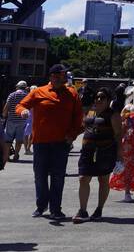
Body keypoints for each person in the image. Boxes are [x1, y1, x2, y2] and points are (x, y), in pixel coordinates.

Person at [16, 63, 84, 223]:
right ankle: (41, 206)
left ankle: (55, 209)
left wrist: (72, 135)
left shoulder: (72, 93)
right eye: (61, 75)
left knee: (58, 177)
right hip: (40, 142)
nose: (65, 78)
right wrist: (23, 111)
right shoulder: (38, 92)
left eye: (65, 75)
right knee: (39, 175)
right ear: (52, 77)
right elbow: (21, 105)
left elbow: (78, 117)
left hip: (61, 143)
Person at [74, 89, 122, 223]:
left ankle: (99, 209)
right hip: (87, 151)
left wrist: (120, 156)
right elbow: (83, 127)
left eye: (102, 97)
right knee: (83, 178)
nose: (99, 100)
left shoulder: (113, 115)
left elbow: (118, 135)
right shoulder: (90, 112)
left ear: (108, 100)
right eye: (97, 97)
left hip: (105, 151)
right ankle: (83, 210)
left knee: (103, 180)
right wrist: (70, 135)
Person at [3, 81, 30, 161]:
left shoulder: (12, 95)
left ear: (17, 87)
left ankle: (7, 155)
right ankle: (16, 155)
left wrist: (4, 116)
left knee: (8, 139)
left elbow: (6, 106)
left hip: (11, 120)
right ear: (25, 87)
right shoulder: (27, 95)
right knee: (19, 140)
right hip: (22, 120)